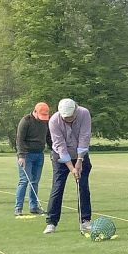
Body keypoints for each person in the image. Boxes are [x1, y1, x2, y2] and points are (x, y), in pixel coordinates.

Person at [43, 98, 92, 234]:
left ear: (76, 110)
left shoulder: (84, 113)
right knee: (58, 186)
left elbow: (84, 137)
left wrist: (80, 161)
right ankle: (51, 222)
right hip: (60, 155)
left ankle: (85, 221)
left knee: (83, 185)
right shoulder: (54, 121)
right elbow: (60, 146)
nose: (68, 120)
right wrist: (72, 168)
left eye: (71, 117)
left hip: (80, 153)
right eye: (66, 118)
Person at [14, 102, 51, 216]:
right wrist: (21, 156)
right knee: (24, 181)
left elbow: (48, 137)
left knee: (35, 182)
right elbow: (20, 140)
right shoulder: (26, 121)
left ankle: (33, 207)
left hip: (39, 154)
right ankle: (18, 208)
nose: (43, 119)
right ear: (35, 112)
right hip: (26, 155)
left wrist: (54, 149)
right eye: (41, 115)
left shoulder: (46, 122)